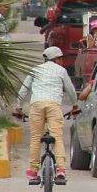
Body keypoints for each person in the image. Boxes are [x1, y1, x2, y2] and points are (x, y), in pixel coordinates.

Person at [13, 46, 78, 184]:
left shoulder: (35, 70)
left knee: (36, 138)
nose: (62, 61)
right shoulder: (61, 71)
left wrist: (18, 107)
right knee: (57, 136)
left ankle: (32, 171)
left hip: (36, 105)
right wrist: (75, 105)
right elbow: (71, 90)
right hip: (54, 106)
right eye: (60, 58)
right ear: (55, 59)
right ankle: (61, 169)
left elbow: (23, 90)